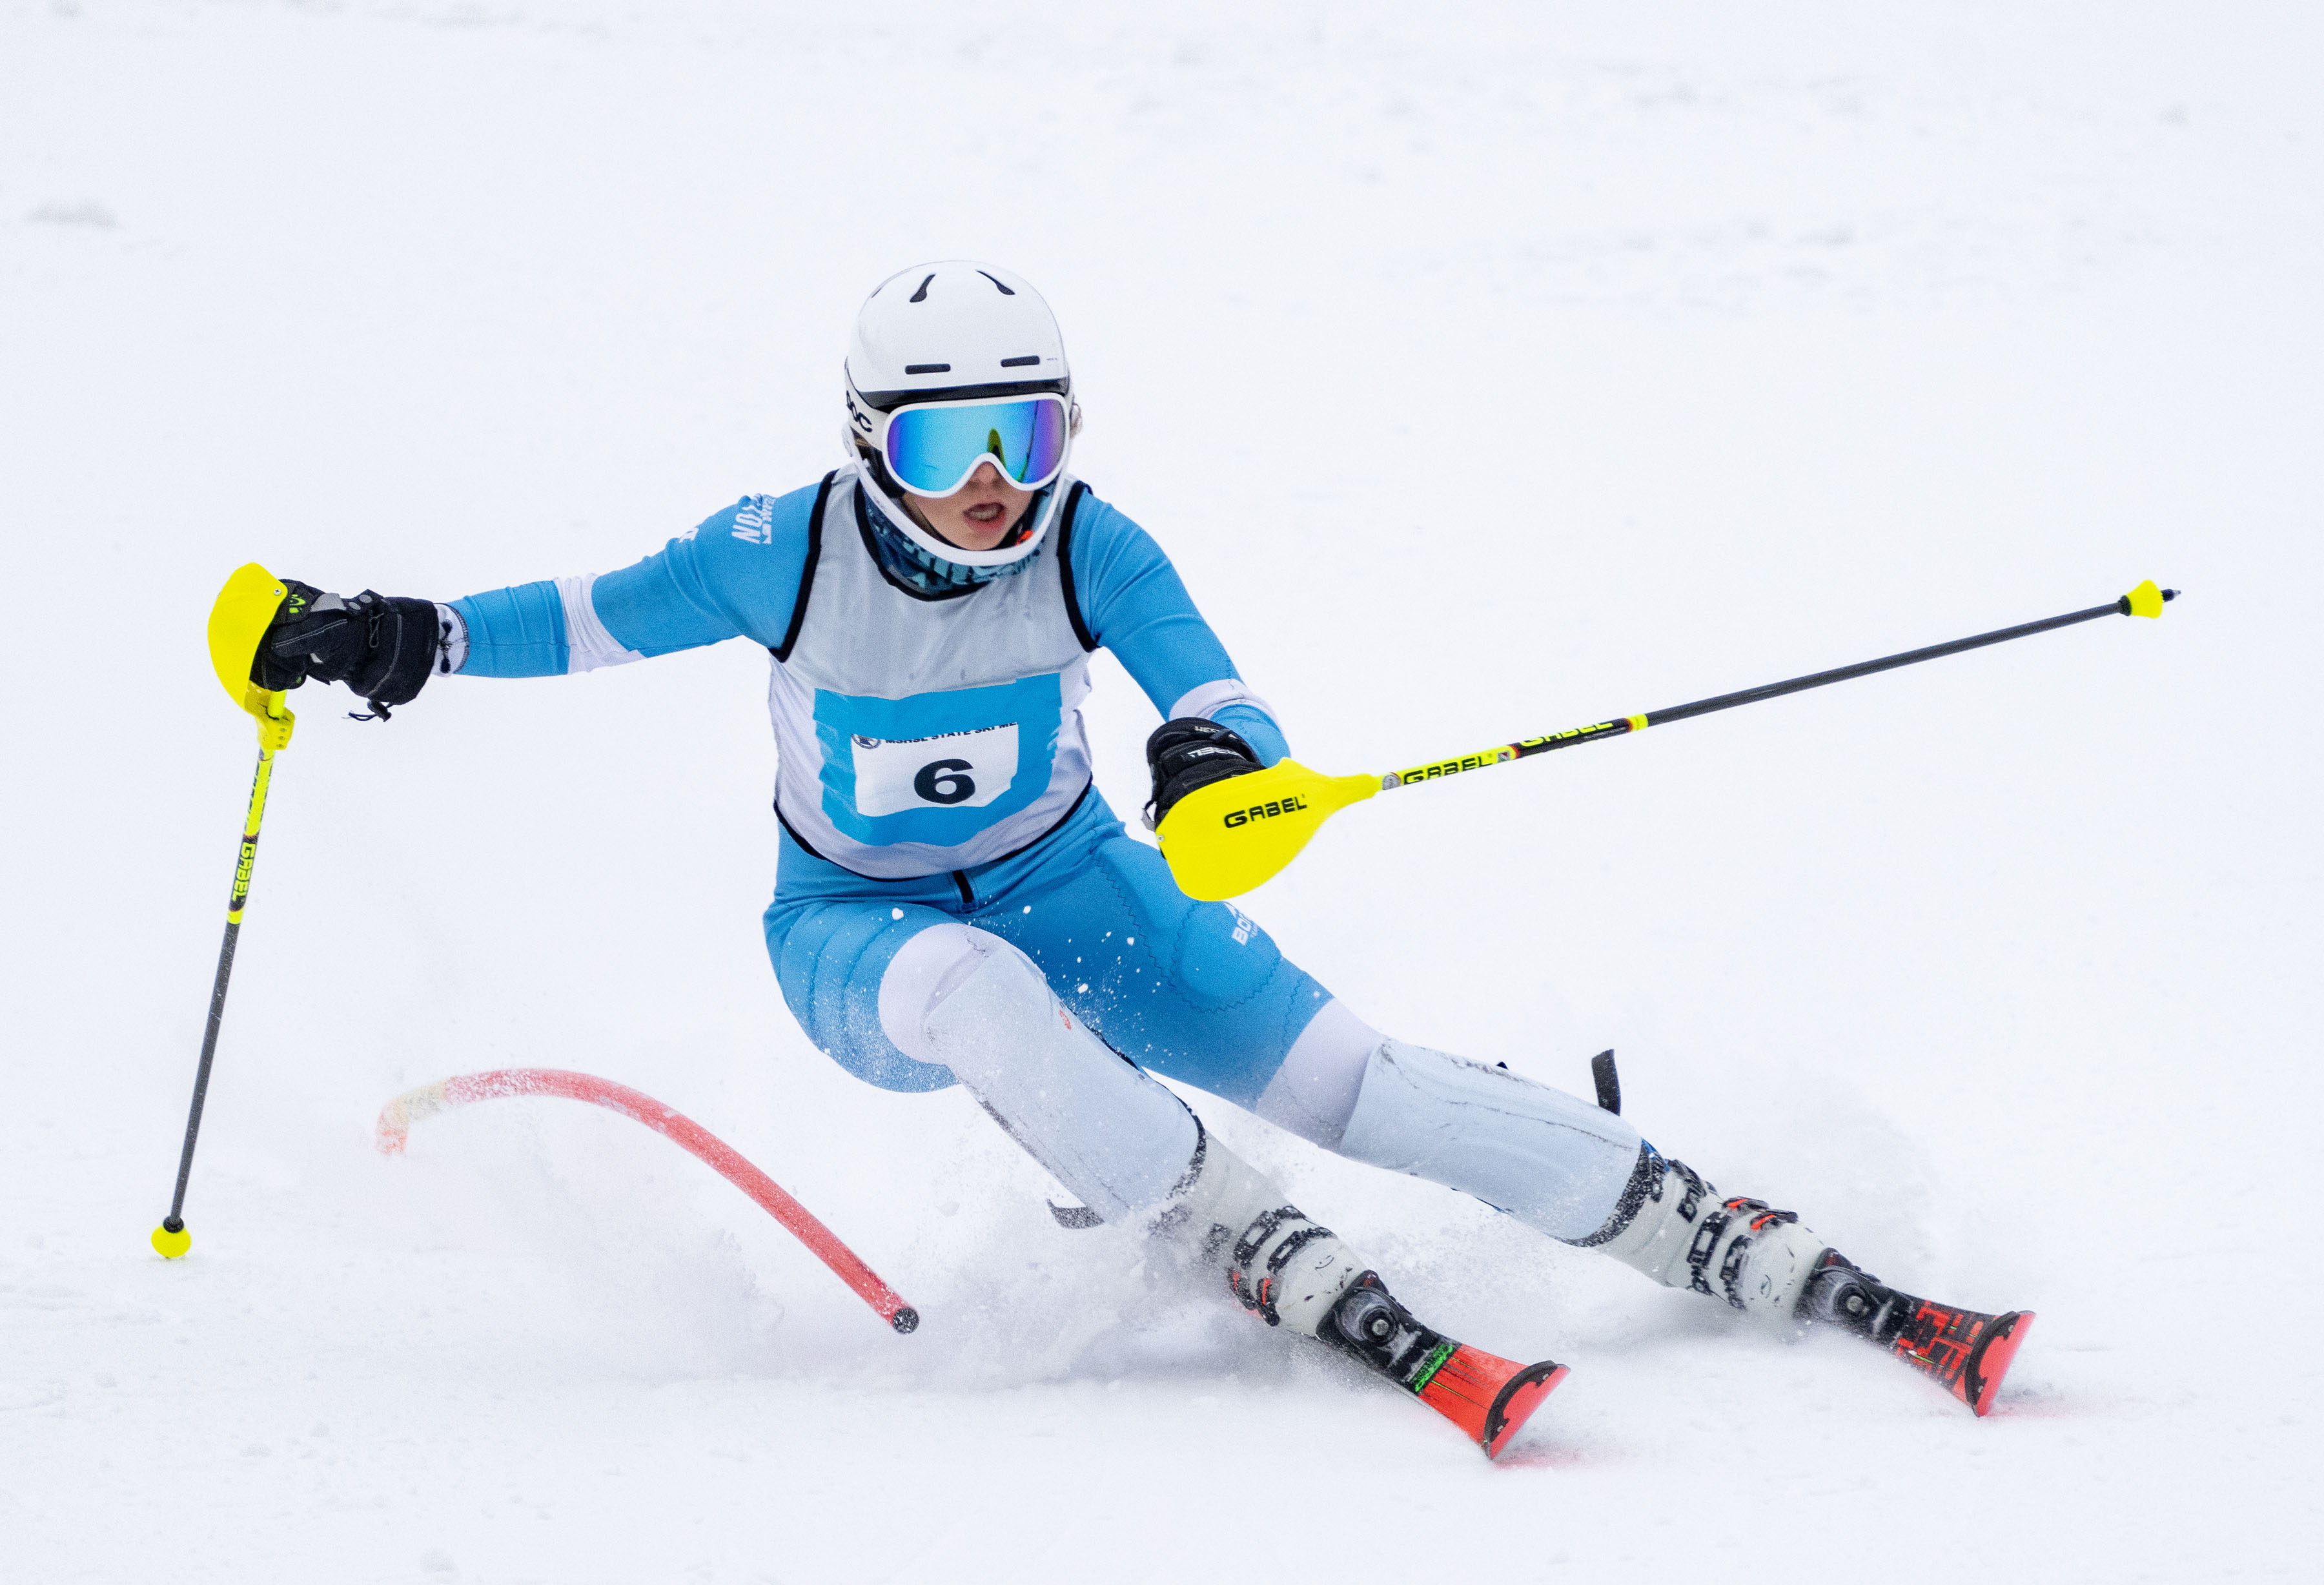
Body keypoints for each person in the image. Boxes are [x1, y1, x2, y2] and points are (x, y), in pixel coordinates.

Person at [252, 260, 2029, 1452]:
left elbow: (1217, 689)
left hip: (1092, 883)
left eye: (1025, 438)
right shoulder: (778, 552)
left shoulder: (1092, 544)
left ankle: (1694, 1218)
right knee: (985, 990)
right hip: (863, 943)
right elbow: (592, 616)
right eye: (952, 447)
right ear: (872, 442)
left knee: (1365, 1079)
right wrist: (404, 635)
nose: (992, 490)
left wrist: (1215, 759)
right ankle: (1237, 1233)